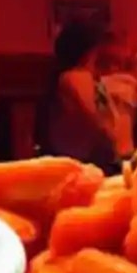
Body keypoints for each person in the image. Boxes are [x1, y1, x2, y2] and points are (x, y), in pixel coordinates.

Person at [38, 20, 119, 166]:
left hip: (71, 158)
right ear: (89, 52)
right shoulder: (77, 78)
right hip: (84, 162)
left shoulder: (64, 77)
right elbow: (98, 125)